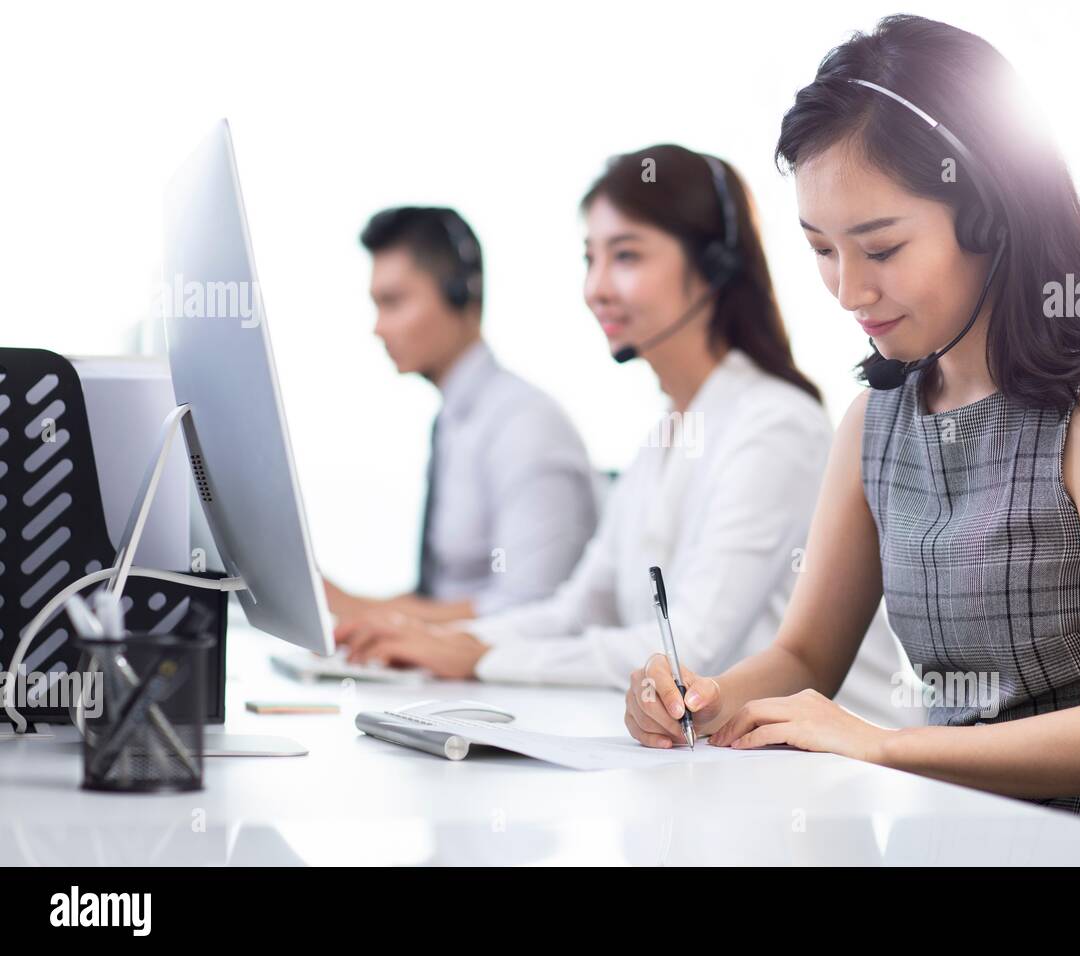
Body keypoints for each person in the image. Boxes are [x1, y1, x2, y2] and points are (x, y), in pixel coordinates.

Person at [624, 16, 1080, 830]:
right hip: (948, 834)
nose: (848, 290)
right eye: (822, 249)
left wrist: (884, 747)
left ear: (990, 217)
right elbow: (805, 657)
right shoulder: (878, 419)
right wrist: (704, 697)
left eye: (882, 248)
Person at [336, 145, 833, 688]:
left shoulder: (775, 425)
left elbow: (691, 648)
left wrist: (479, 660)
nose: (595, 289)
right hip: (732, 755)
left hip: (826, 764)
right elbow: (577, 611)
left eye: (626, 257)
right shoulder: (666, 433)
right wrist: (451, 643)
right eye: (589, 259)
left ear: (714, 266)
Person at [324, 207, 597, 625]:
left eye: (393, 302)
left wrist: (362, 612)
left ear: (460, 292)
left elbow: (529, 607)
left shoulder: (524, 424)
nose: (378, 328)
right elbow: (448, 593)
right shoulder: (454, 422)